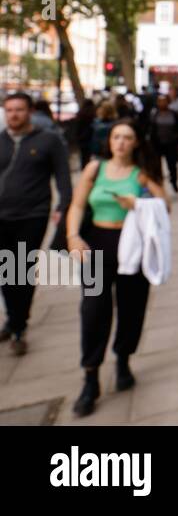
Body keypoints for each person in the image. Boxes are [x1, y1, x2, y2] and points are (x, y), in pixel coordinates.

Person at [64, 119, 169, 416]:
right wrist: (73, 236)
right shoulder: (94, 169)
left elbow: (165, 205)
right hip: (96, 244)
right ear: (109, 141)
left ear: (136, 142)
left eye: (127, 137)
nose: (121, 142)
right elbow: (78, 205)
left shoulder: (142, 173)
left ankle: (123, 359)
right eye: (116, 137)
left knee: (132, 306)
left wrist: (137, 202)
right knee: (93, 309)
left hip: (131, 247)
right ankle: (91, 376)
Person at [0, 92, 73, 355]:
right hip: (2, 215)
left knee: (21, 270)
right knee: (5, 272)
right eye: (9, 110)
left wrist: (63, 207)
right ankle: (12, 317)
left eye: (19, 110)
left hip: (32, 214)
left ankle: (19, 326)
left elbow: (63, 175)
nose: (13, 115)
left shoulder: (48, 140)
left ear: (30, 111)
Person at [148, 94, 178, 193]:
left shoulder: (174, 114)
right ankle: (159, 184)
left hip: (171, 143)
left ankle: (174, 181)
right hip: (157, 144)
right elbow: (151, 129)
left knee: (172, 165)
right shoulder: (154, 114)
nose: (162, 103)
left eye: (164, 101)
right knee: (156, 166)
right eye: (160, 101)